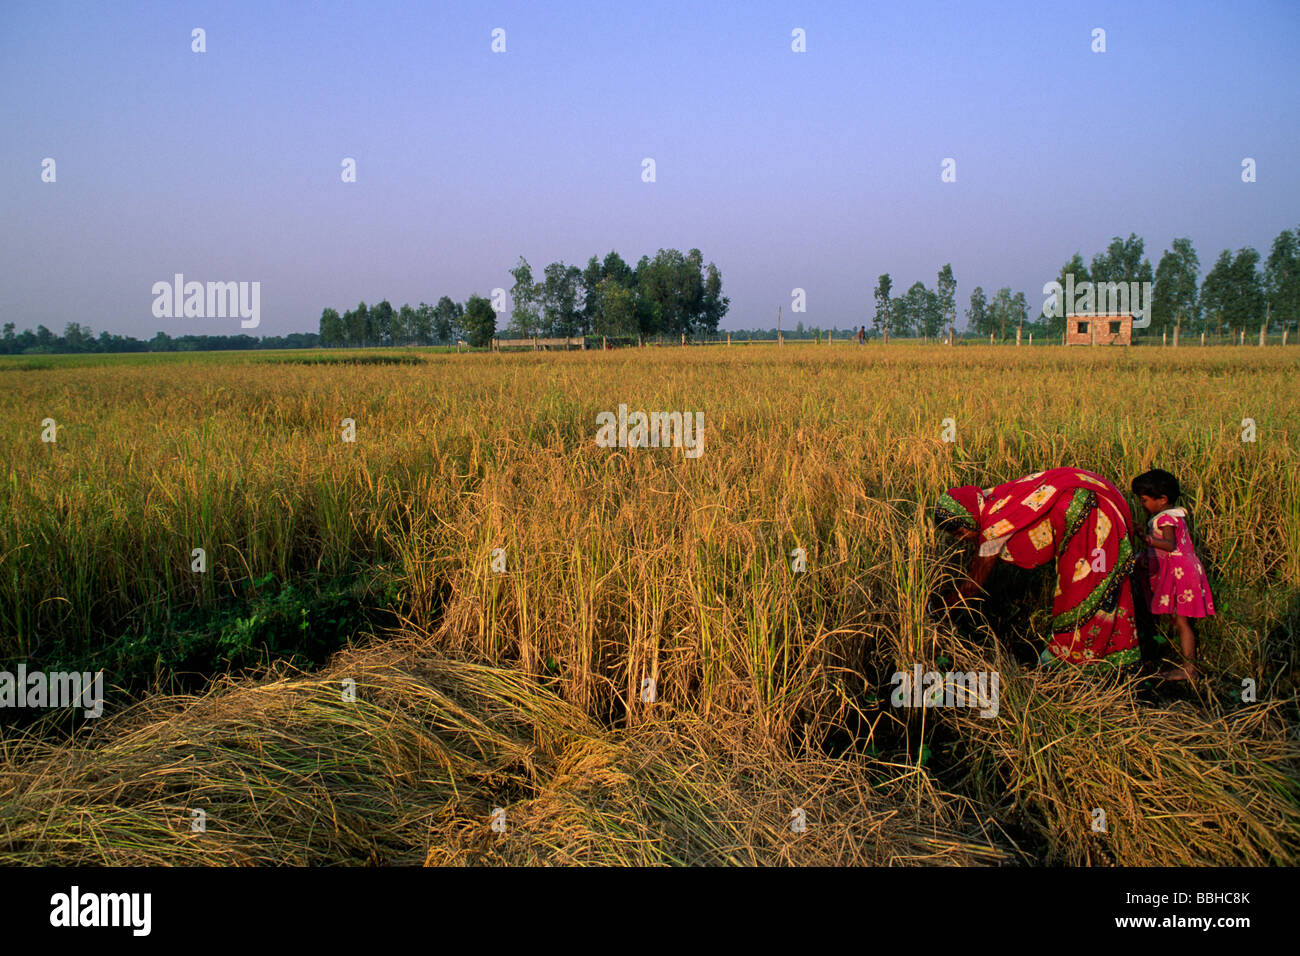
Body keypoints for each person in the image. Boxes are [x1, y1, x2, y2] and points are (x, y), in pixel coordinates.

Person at [932, 467, 1139, 667]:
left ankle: (1069, 662)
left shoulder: (994, 525)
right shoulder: (997, 500)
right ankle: (1112, 657)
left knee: (1081, 591)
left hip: (1090, 517)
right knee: (1105, 584)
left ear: (969, 519)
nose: (963, 539)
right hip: (1099, 501)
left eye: (960, 533)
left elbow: (972, 584)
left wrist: (938, 611)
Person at [1130, 469, 1215, 681]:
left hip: (1179, 573)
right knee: (1178, 619)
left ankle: (1189, 668)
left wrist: (1147, 539)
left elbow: (1169, 545)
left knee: (1181, 621)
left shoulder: (1166, 518)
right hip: (1180, 571)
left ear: (1162, 499)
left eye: (1144, 500)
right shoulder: (1166, 515)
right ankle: (1184, 662)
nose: (1142, 504)